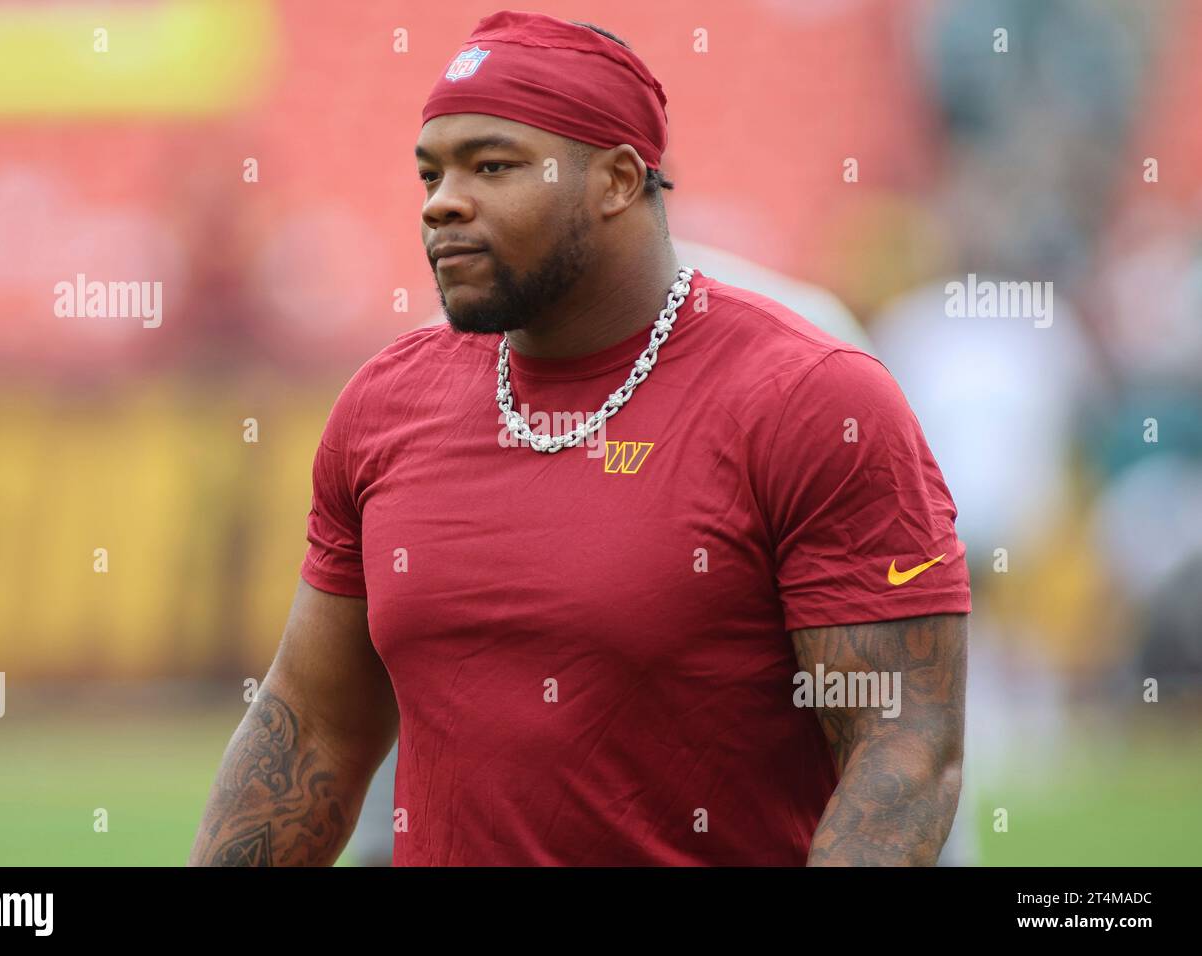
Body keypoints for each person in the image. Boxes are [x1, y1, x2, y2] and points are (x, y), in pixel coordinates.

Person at [190, 10, 971, 867]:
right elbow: (309, 734)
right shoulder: (385, 406)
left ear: (617, 181)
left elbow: (901, 748)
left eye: (492, 166)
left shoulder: (810, 397)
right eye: (430, 173)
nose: (443, 201)